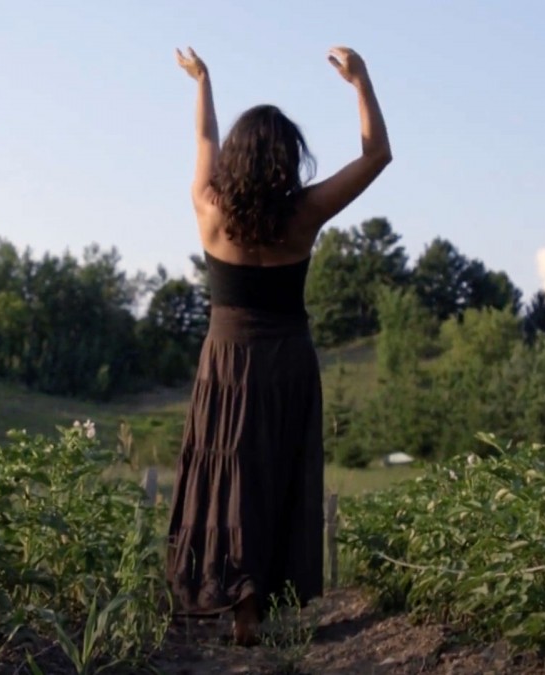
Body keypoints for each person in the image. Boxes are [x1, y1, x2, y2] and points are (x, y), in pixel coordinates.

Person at [165, 45, 392, 646]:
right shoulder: (305, 214)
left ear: (237, 159)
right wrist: (361, 82)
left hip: (226, 359)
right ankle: (259, 604)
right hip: (289, 360)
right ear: (289, 159)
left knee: (228, 475)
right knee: (275, 474)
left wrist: (204, 80)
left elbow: (204, 137)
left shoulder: (209, 207)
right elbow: (378, 155)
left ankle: (232, 596)